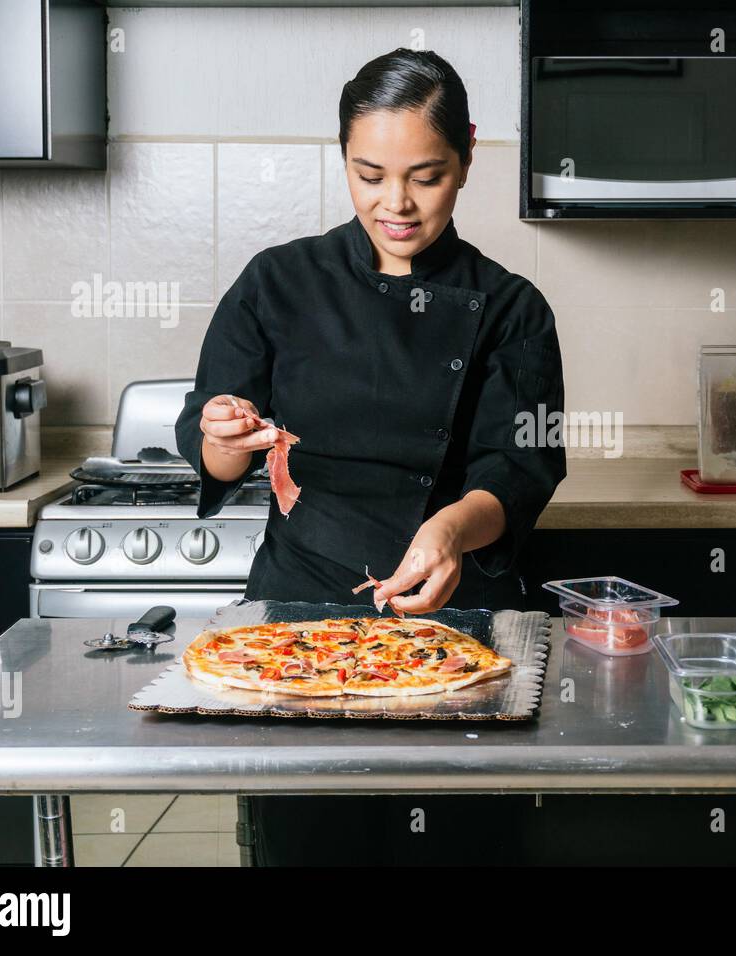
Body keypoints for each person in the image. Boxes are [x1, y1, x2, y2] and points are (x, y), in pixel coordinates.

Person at [174, 48, 566, 865]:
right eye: (369, 173)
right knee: (307, 844)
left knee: (457, 848)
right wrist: (220, 436)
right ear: (343, 159)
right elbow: (215, 453)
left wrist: (451, 531)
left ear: (466, 157)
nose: (396, 202)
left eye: (426, 175)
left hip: (460, 611)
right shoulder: (276, 283)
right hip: (297, 613)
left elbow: (521, 467)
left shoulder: (512, 309)